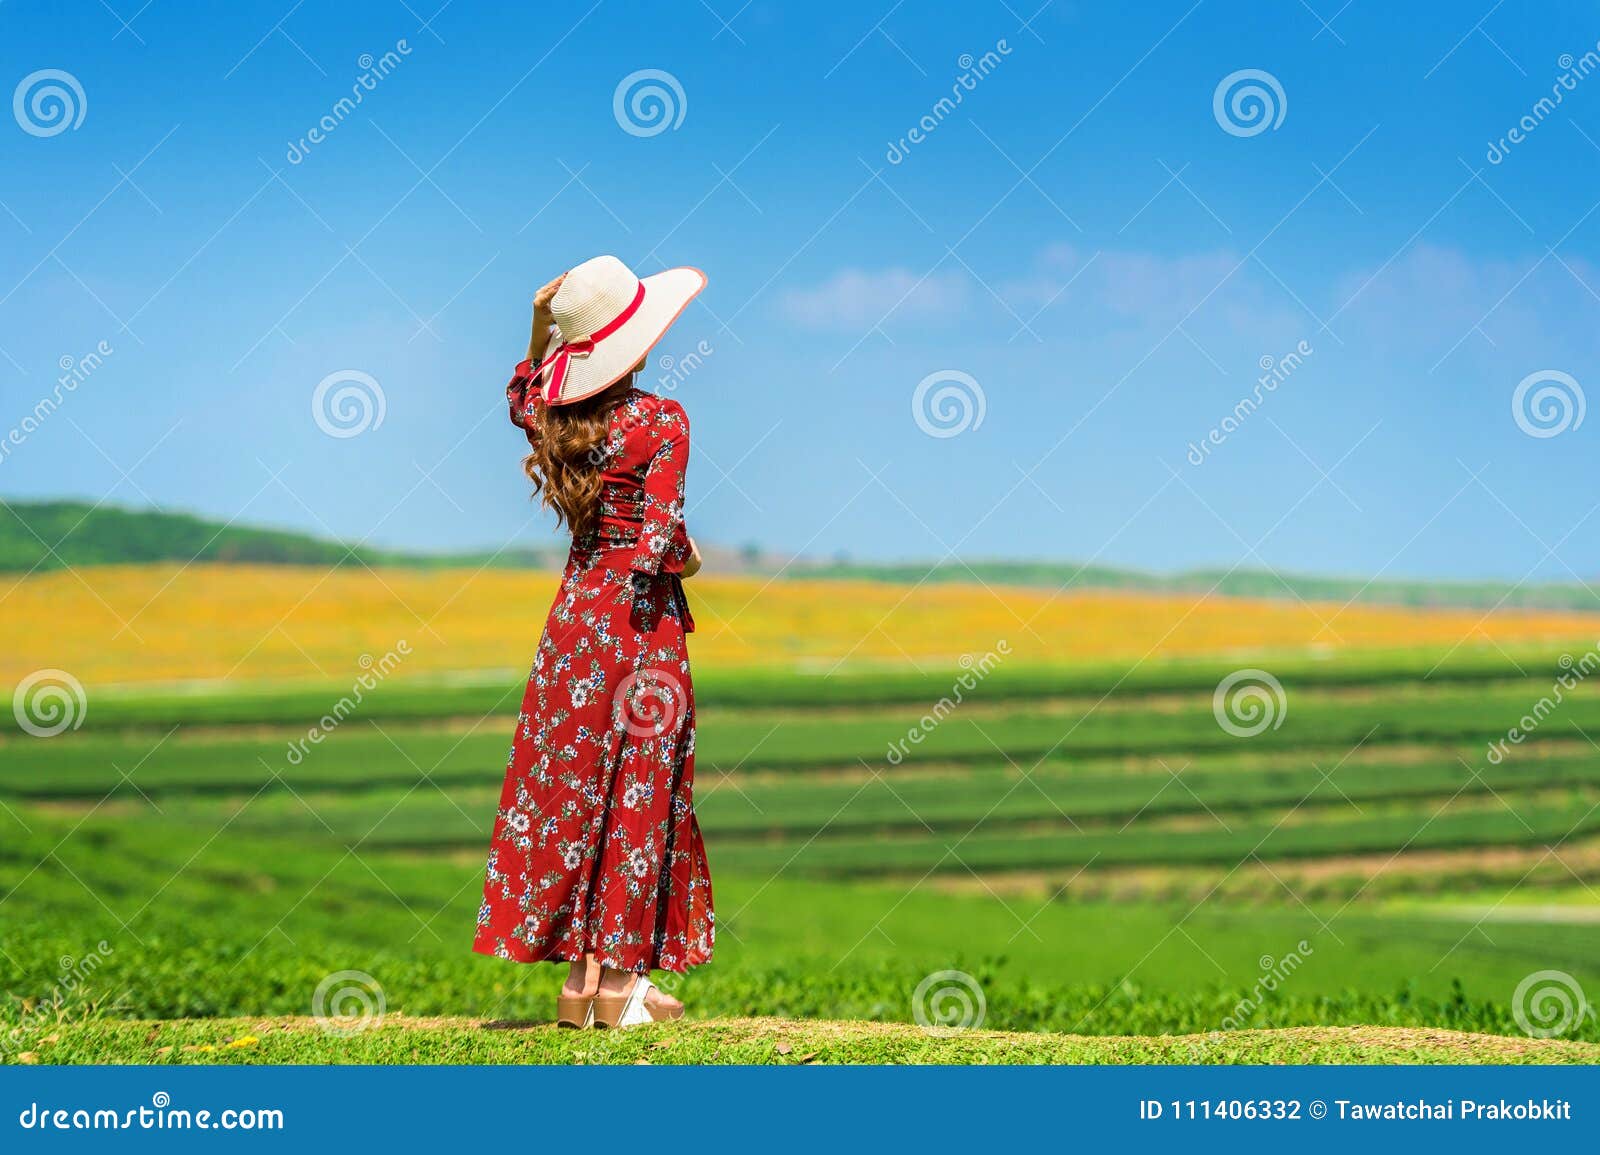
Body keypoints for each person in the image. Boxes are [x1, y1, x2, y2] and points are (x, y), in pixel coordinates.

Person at [472, 255, 713, 1030]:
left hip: (573, 623)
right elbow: (655, 545)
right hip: (640, 624)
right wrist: (686, 555)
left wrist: (541, 325)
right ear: (631, 342)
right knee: (638, 792)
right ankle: (619, 988)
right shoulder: (661, 420)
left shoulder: (559, 419)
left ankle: (580, 987)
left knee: (578, 790)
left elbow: (521, 392)